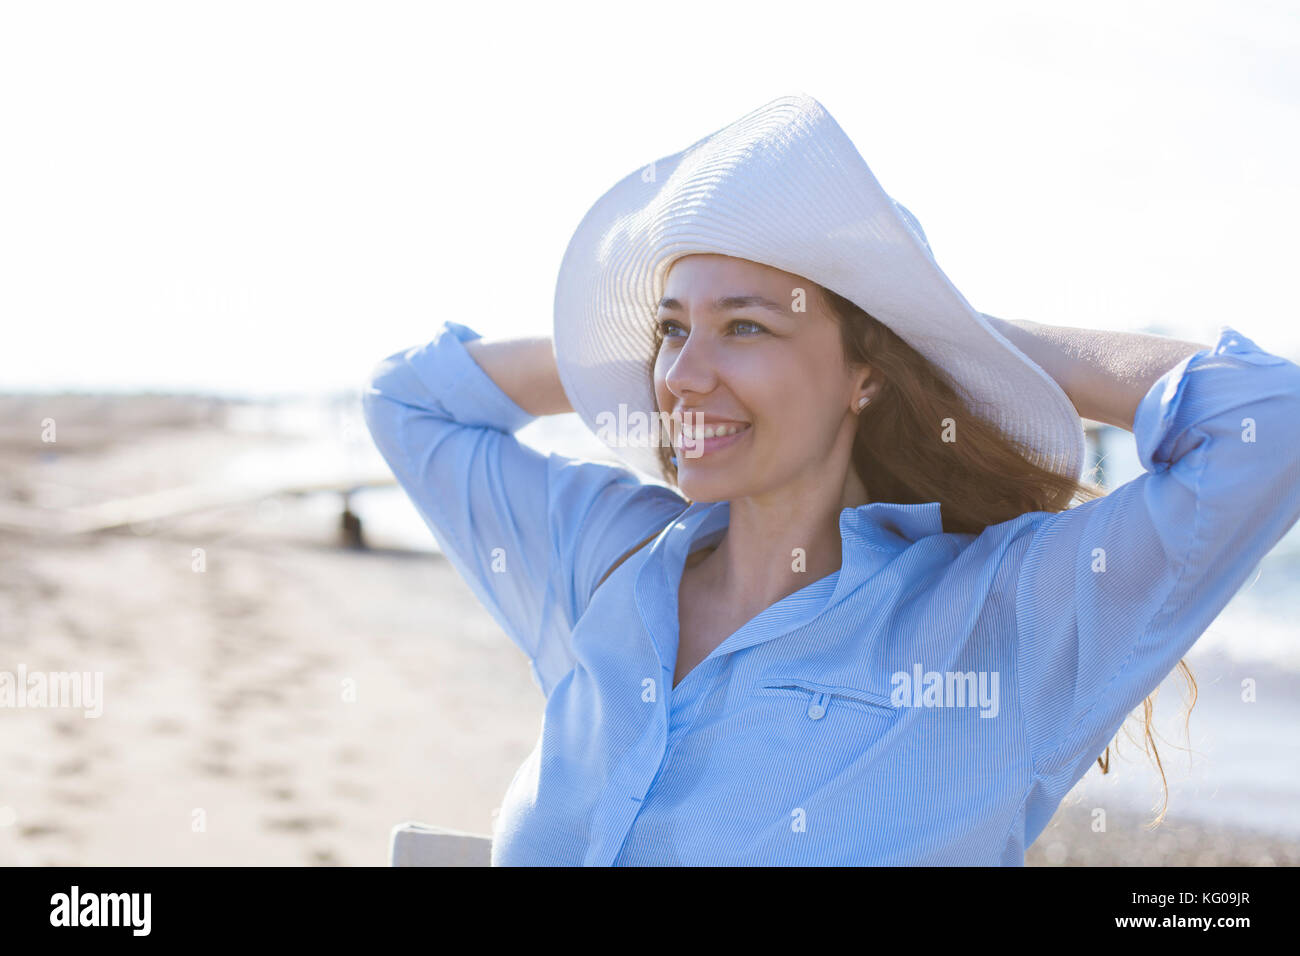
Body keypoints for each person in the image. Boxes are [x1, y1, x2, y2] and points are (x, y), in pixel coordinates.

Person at [362, 95, 1300, 865]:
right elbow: (407, 401)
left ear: (866, 373)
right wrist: (650, 356)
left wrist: (943, 331)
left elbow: (1267, 423)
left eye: (746, 327)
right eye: (670, 329)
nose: (682, 373)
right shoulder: (602, 558)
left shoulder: (1001, 623)